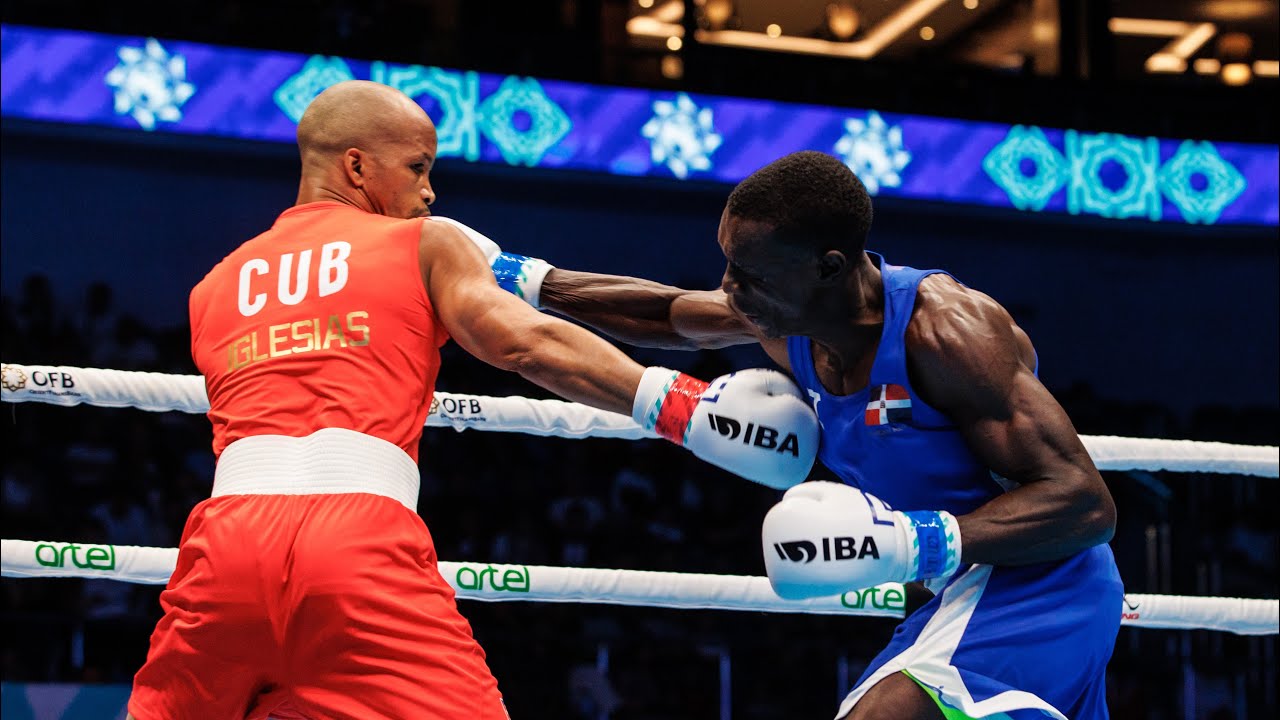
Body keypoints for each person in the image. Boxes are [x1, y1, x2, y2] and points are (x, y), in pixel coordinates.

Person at [125, 81, 819, 720]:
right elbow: (522, 343)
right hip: (355, 548)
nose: (430, 192)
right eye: (420, 168)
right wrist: (684, 408)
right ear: (358, 168)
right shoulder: (422, 242)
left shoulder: (212, 288)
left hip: (222, 547)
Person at [485, 151, 1122, 720]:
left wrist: (911, 542)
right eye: (729, 265)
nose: (732, 289)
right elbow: (665, 313)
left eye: (751, 274)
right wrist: (517, 276)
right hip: (962, 588)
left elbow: (1085, 503)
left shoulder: (947, 334)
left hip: (1042, 581)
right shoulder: (782, 317)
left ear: (829, 266)